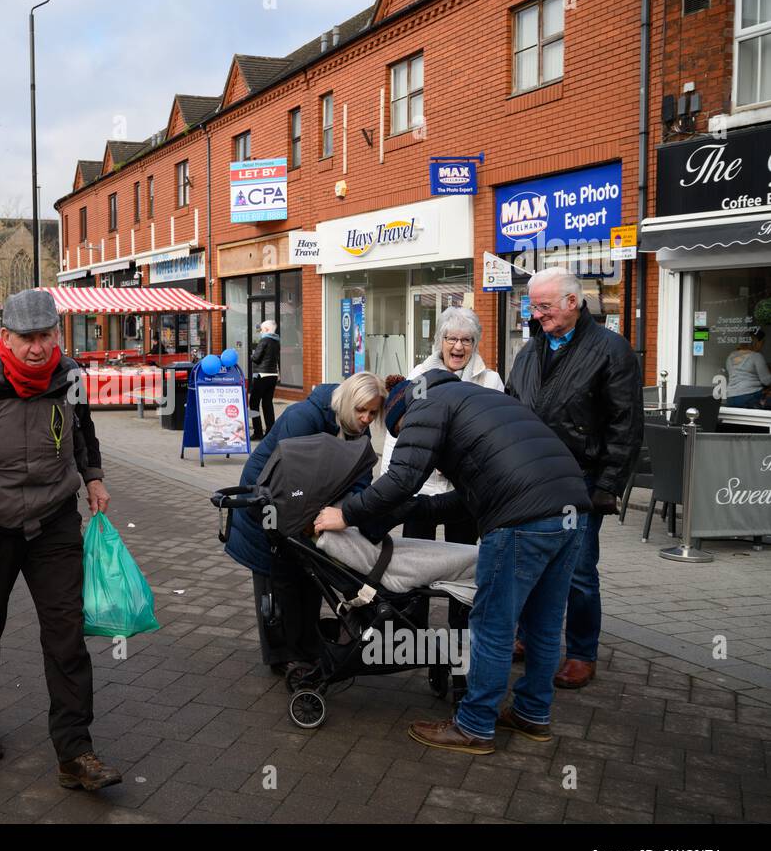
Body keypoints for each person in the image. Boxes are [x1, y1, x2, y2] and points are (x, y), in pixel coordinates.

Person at [319, 371, 591, 754]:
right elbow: (467, 497)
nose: (400, 434)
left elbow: (402, 478)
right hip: (571, 511)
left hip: (522, 520)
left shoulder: (420, 407)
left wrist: (345, 514)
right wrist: (417, 509)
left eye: (395, 429)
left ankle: (475, 725)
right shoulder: (470, 398)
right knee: (542, 625)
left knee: (493, 626)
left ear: (397, 409)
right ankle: (532, 713)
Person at [0, 288, 121, 792]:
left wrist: (92, 474)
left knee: (66, 634)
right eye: (26, 338)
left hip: (54, 521)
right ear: (5, 337)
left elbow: (83, 430)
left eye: (45, 336)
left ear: (57, 333)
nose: (37, 348)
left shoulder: (70, 376)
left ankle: (75, 751)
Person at [506, 267, 642, 689]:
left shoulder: (610, 349)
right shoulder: (531, 349)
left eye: (544, 306)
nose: (537, 313)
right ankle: (529, 637)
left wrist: (608, 486)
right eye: (533, 306)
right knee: (528, 563)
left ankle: (582, 652)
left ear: (572, 302)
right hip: (532, 479)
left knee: (579, 571)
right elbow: (513, 404)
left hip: (582, 480)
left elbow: (626, 424)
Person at [224, 371, 386, 677]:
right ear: (347, 402)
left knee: (310, 575)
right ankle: (283, 654)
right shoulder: (303, 417)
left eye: (372, 413)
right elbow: (291, 475)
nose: (366, 419)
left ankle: (305, 646)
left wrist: (350, 510)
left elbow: (360, 478)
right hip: (268, 502)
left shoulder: (357, 431)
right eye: (361, 410)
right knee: (277, 578)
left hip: (306, 508)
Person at [381, 307, 503, 545]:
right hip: (422, 485)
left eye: (466, 340)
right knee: (415, 552)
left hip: (464, 489)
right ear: (440, 342)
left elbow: (493, 438)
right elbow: (398, 435)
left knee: (460, 553)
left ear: (475, 344)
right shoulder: (419, 376)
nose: (458, 347)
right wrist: (392, 484)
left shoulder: (490, 381)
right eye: (452, 339)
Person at [249, 320, 282, 440]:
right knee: (267, 403)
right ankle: (270, 431)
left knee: (253, 403)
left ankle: (258, 432)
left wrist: (252, 355)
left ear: (267, 330)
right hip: (272, 375)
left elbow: (256, 358)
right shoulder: (276, 342)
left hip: (261, 375)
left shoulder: (264, 340)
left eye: (262, 329)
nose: (261, 332)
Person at [724, 326, 771, 409]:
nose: (762, 346)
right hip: (750, 397)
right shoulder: (756, 356)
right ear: (757, 342)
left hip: (730, 397)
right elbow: (766, 381)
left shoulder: (730, 356)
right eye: (762, 342)